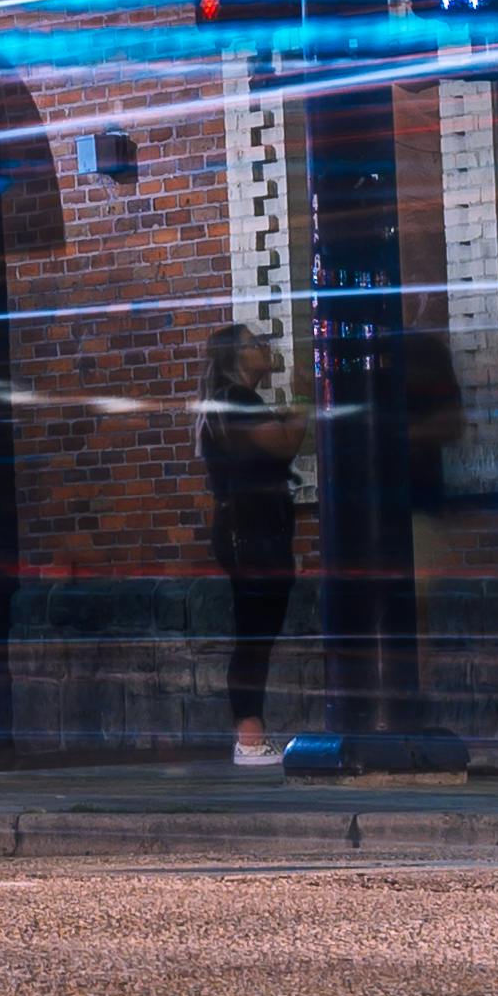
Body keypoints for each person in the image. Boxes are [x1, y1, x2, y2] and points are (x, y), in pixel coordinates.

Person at [198, 320, 309, 767]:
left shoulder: (232, 402)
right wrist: (302, 397)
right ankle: (248, 740)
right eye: (252, 344)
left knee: (257, 634)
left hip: (250, 531)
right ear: (235, 358)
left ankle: (250, 736)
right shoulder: (235, 400)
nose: (263, 347)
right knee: (254, 636)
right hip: (252, 534)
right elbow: (283, 444)